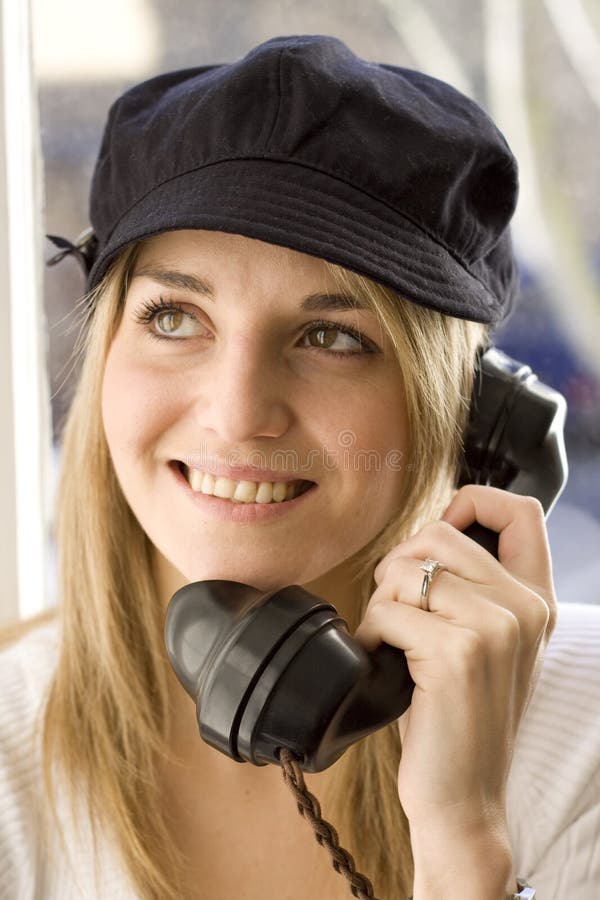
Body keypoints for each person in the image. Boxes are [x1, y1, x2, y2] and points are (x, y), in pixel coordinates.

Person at [1, 33, 599, 900]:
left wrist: (464, 842)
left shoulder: (585, 735)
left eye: (331, 336)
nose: (239, 413)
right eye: (174, 317)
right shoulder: (12, 755)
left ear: (471, 421)